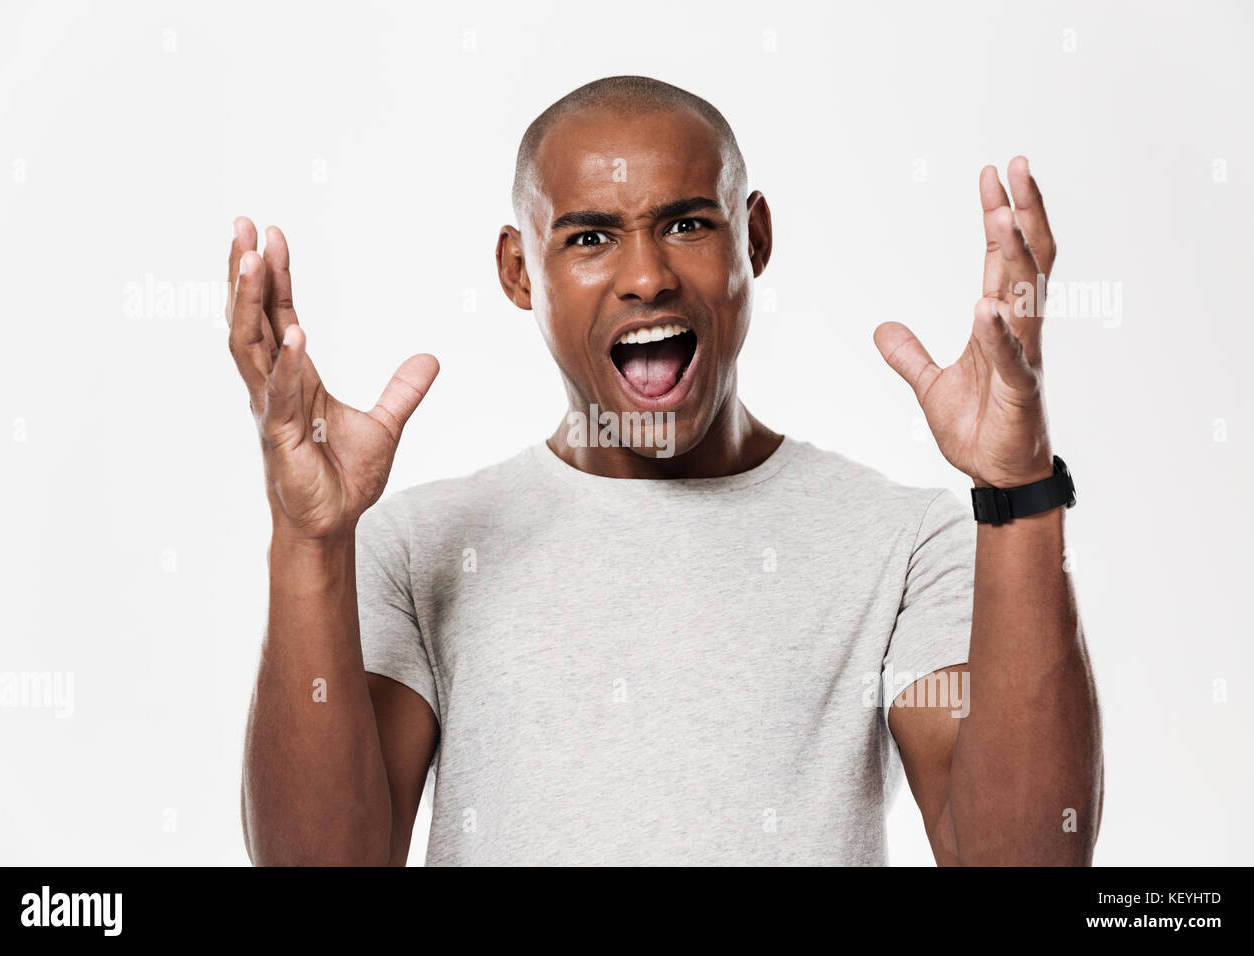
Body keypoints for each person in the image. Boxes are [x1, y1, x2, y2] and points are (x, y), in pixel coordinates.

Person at [233, 75, 1102, 866]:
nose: (646, 276)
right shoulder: (418, 548)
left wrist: (1020, 489)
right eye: (590, 237)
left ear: (753, 239)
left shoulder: (904, 543)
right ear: (517, 270)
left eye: (688, 224)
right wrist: (310, 540)